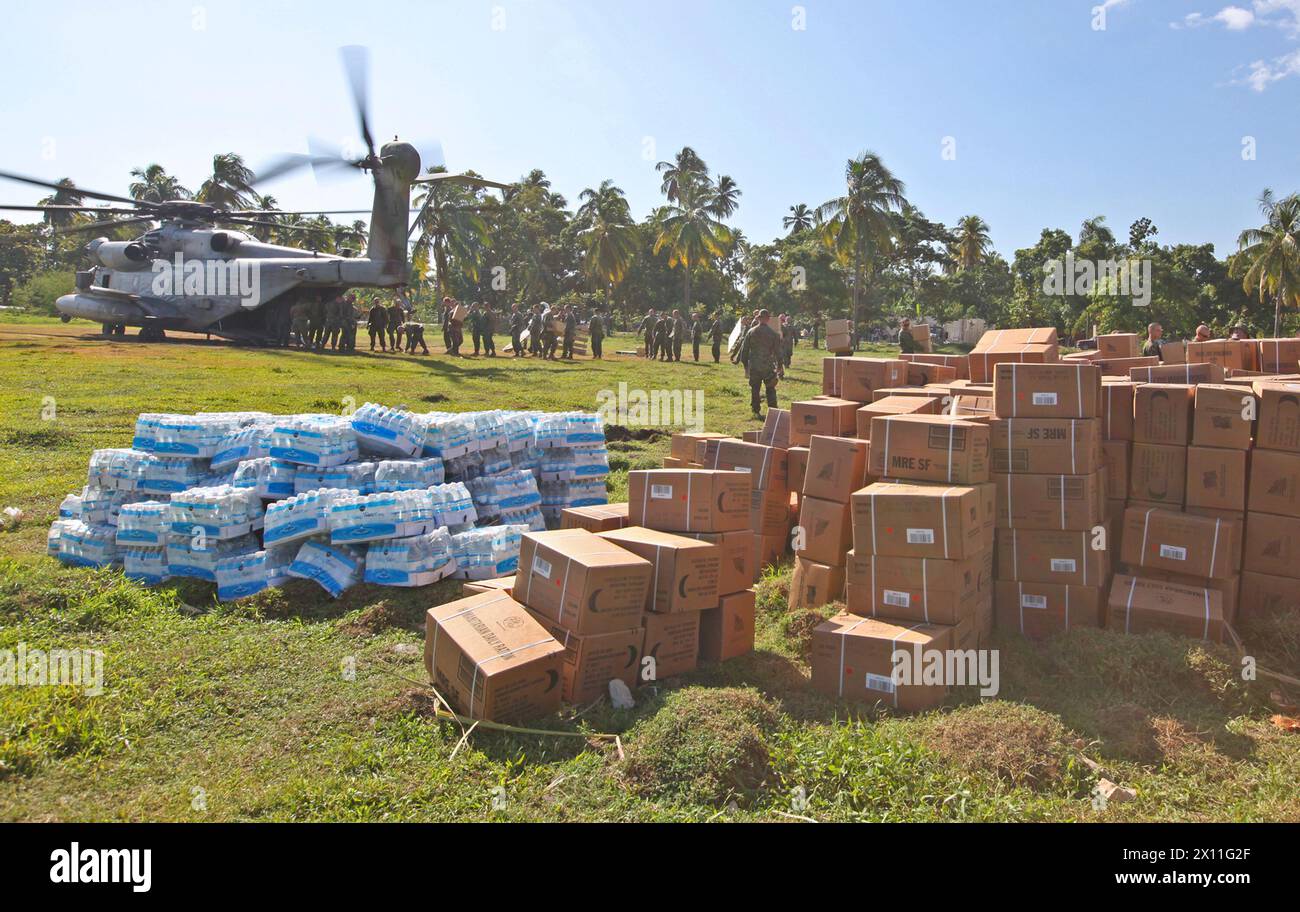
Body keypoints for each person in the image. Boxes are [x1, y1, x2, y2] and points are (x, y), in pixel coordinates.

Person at [742, 310, 784, 419]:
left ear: (759, 318)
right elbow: (779, 353)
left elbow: (744, 351)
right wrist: (780, 366)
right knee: (770, 388)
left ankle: (756, 410)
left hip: (754, 366)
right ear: (768, 319)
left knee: (755, 388)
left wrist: (745, 366)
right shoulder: (774, 334)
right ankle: (773, 410)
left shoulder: (751, 332)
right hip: (768, 366)